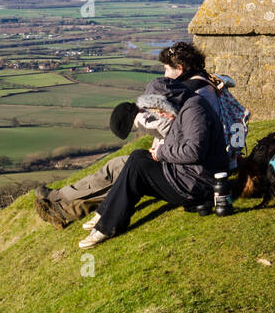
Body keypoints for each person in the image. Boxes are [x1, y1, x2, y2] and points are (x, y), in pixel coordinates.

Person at [78, 72, 228, 247]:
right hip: (190, 175)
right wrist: (158, 151)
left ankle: (107, 227)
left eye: (159, 110)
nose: (159, 115)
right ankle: (105, 212)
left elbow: (194, 152)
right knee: (137, 156)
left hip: (198, 184)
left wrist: (161, 152)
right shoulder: (187, 108)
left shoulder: (194, 110)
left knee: (138, 166)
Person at [32, 77, 186, 229]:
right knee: (114, 175)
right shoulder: (170, 102)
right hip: (166, 159)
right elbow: (168, 134)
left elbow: (171, 130)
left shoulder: (147, 117)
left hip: (168, 165)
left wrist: (155, 143)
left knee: (112, 174)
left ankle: (58, 199)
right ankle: (63, 211)